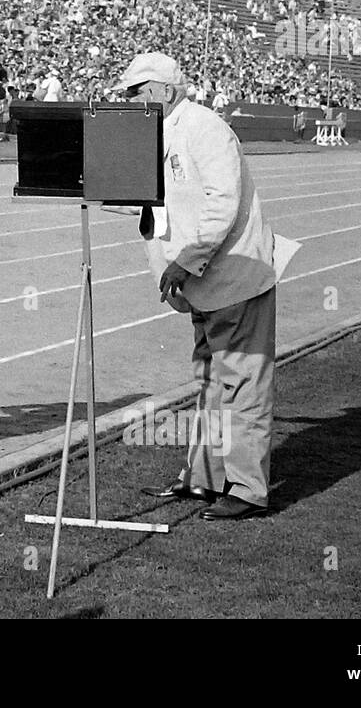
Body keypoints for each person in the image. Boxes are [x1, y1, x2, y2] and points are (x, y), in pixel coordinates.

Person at [114, 52, 278, 521]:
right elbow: (153, 203)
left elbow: (222, 202)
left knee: (243, 383)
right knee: (208, 380)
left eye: (137, 91)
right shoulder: (156, 133)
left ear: (164, 91)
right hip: (198, 283)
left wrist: (186, 262)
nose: (130, 101)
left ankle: (248, 489)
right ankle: (205, 478)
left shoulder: (204, 128)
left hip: (232, 277)